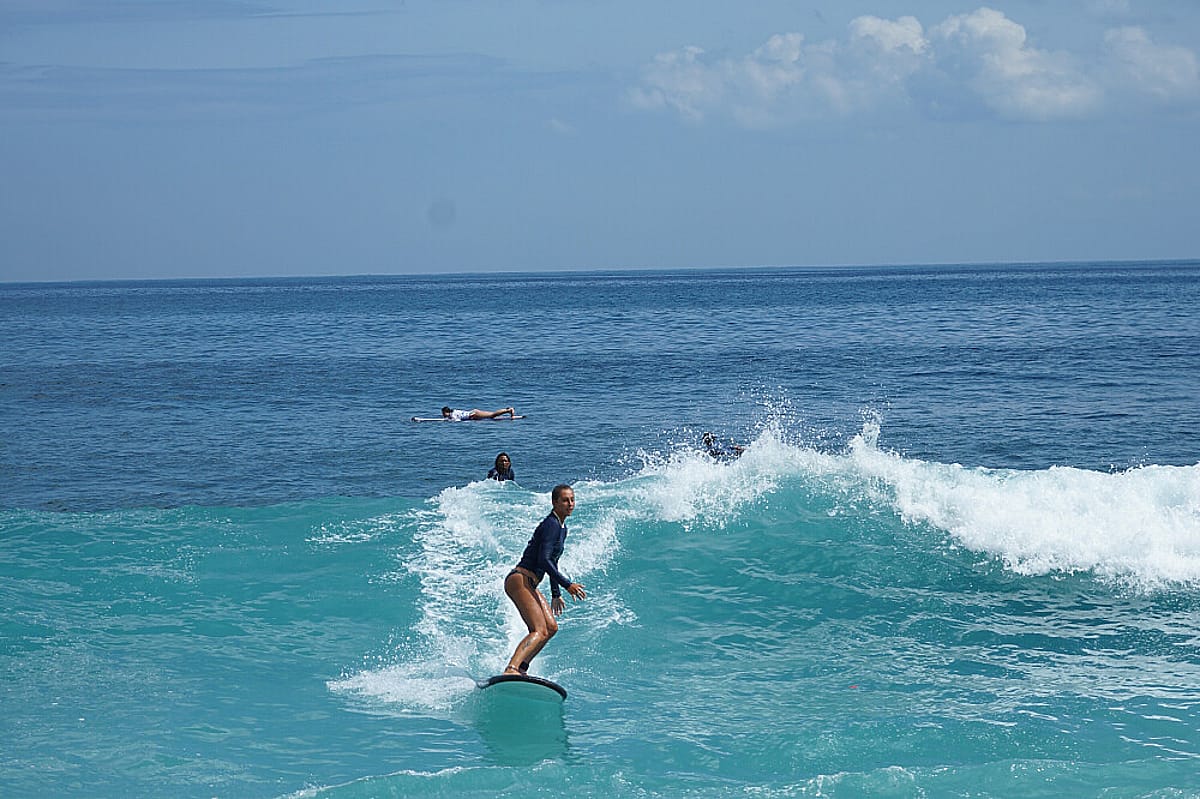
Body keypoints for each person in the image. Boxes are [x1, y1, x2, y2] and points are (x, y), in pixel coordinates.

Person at [502, 484, 587, 675]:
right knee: (539, 629)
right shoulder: (551, 525)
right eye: (565, 500)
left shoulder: (562, 528)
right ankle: (511, 669)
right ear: (554, 502)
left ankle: (522, 668)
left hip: (529, 583)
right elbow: (543, 560)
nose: (570, 504)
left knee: (550, 628)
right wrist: (567, 585)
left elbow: (552, 562)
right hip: (520, 579)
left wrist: (555, 594)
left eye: (572, 500)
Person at [441, 405, 516, 421]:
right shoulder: (454, 412)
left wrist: (448, 420)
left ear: (446, 412)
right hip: (474, 414)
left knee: (492, 415)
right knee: (492, 416)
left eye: (444, 413)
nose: (443, 415)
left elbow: (457, 420)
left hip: (474, 414)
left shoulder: (453, 414)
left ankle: (509, 410)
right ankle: (507, 410)